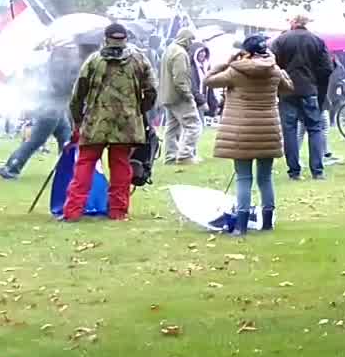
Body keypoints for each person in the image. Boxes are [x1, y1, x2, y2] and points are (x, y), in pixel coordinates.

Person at [62, 23, 157, 221]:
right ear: (125, 38)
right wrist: (139, 111)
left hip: (95, 122)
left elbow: (77, 95)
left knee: (85, 165)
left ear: (105, 39)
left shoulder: (94, 60)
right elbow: (151, 91)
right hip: (127, 124)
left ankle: (72, 211)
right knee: (121, 166)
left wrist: (77, 121)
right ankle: (118, 212)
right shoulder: (139, 59)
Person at [206, 34, 291, 234]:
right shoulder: (274, 70)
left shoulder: (234, 72)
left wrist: (227, 61)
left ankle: (242, 225)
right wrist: (276, 66)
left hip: (241, 131)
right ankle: (268, 223)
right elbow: (288, 88)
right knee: (265, 177)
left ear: (246, 52)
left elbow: (209, 81)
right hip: (268, 129)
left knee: (243, 178)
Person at [0, 45, 84, 180]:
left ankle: (68, 169)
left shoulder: (56, 61)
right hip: (51, 107)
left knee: (65, 137)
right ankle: (12, 167)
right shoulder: (61, 65)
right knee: (37, 140)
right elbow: (62, 86)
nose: (74, 51)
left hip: (54, 107)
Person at [271, 14, 333, 181]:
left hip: (287, 90)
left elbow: (272, 65)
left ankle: (294, 171)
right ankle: (318, 171)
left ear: (293, 22)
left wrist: (279, 84)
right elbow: (327, 68)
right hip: (309, 89)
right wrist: (317, 85)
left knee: (289, 130)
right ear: (306, 23)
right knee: (315, 128)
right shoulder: (317, 41)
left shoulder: (280, 41)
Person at [158, 28, 202, 165]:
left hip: (166, 95)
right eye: (191, 40)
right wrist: (188, 94)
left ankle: (170, 156)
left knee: (172, 127)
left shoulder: (169, 49)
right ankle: (185, 155)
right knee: (193, 124)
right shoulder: (180, 54)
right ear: (187, 39)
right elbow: (180, 77)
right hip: (179, 96)